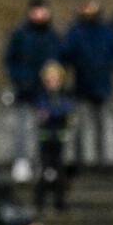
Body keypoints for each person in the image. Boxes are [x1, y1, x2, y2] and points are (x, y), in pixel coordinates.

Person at [59, 0, 113, 168]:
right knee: (82, 127)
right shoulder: (75, 32)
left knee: (105, 126)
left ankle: (106, 161)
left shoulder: (108, 31)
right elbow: (65, 55)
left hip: (103, 85)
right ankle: (83, 161)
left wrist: (109, 66)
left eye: (92, 5)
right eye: (85, 5)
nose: (88, 9)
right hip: (81, 86)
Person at [4, 0, 64, 174]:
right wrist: (20, 78)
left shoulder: (53, 36)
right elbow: (10, 60)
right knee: (23, 127)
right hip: (25, 89)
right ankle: (22, 161)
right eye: (36, 11)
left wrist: (53, 81)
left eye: (43, 11)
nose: (40, 14)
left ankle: (45, 163)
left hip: (46, 93)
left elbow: (58, 61)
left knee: (46, 130)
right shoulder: (20, 35)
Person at [33, 62, 74, 211]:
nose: (53, 83)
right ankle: (40, 201)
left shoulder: (64, 97)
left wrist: (52, 114)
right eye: (49, 80)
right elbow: (43, 113)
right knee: (45, 171)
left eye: (55, 79)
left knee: (60, 171)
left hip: (59, 140)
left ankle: (59, 201)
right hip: (46, 140)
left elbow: (65, 112)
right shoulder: (42, 97)